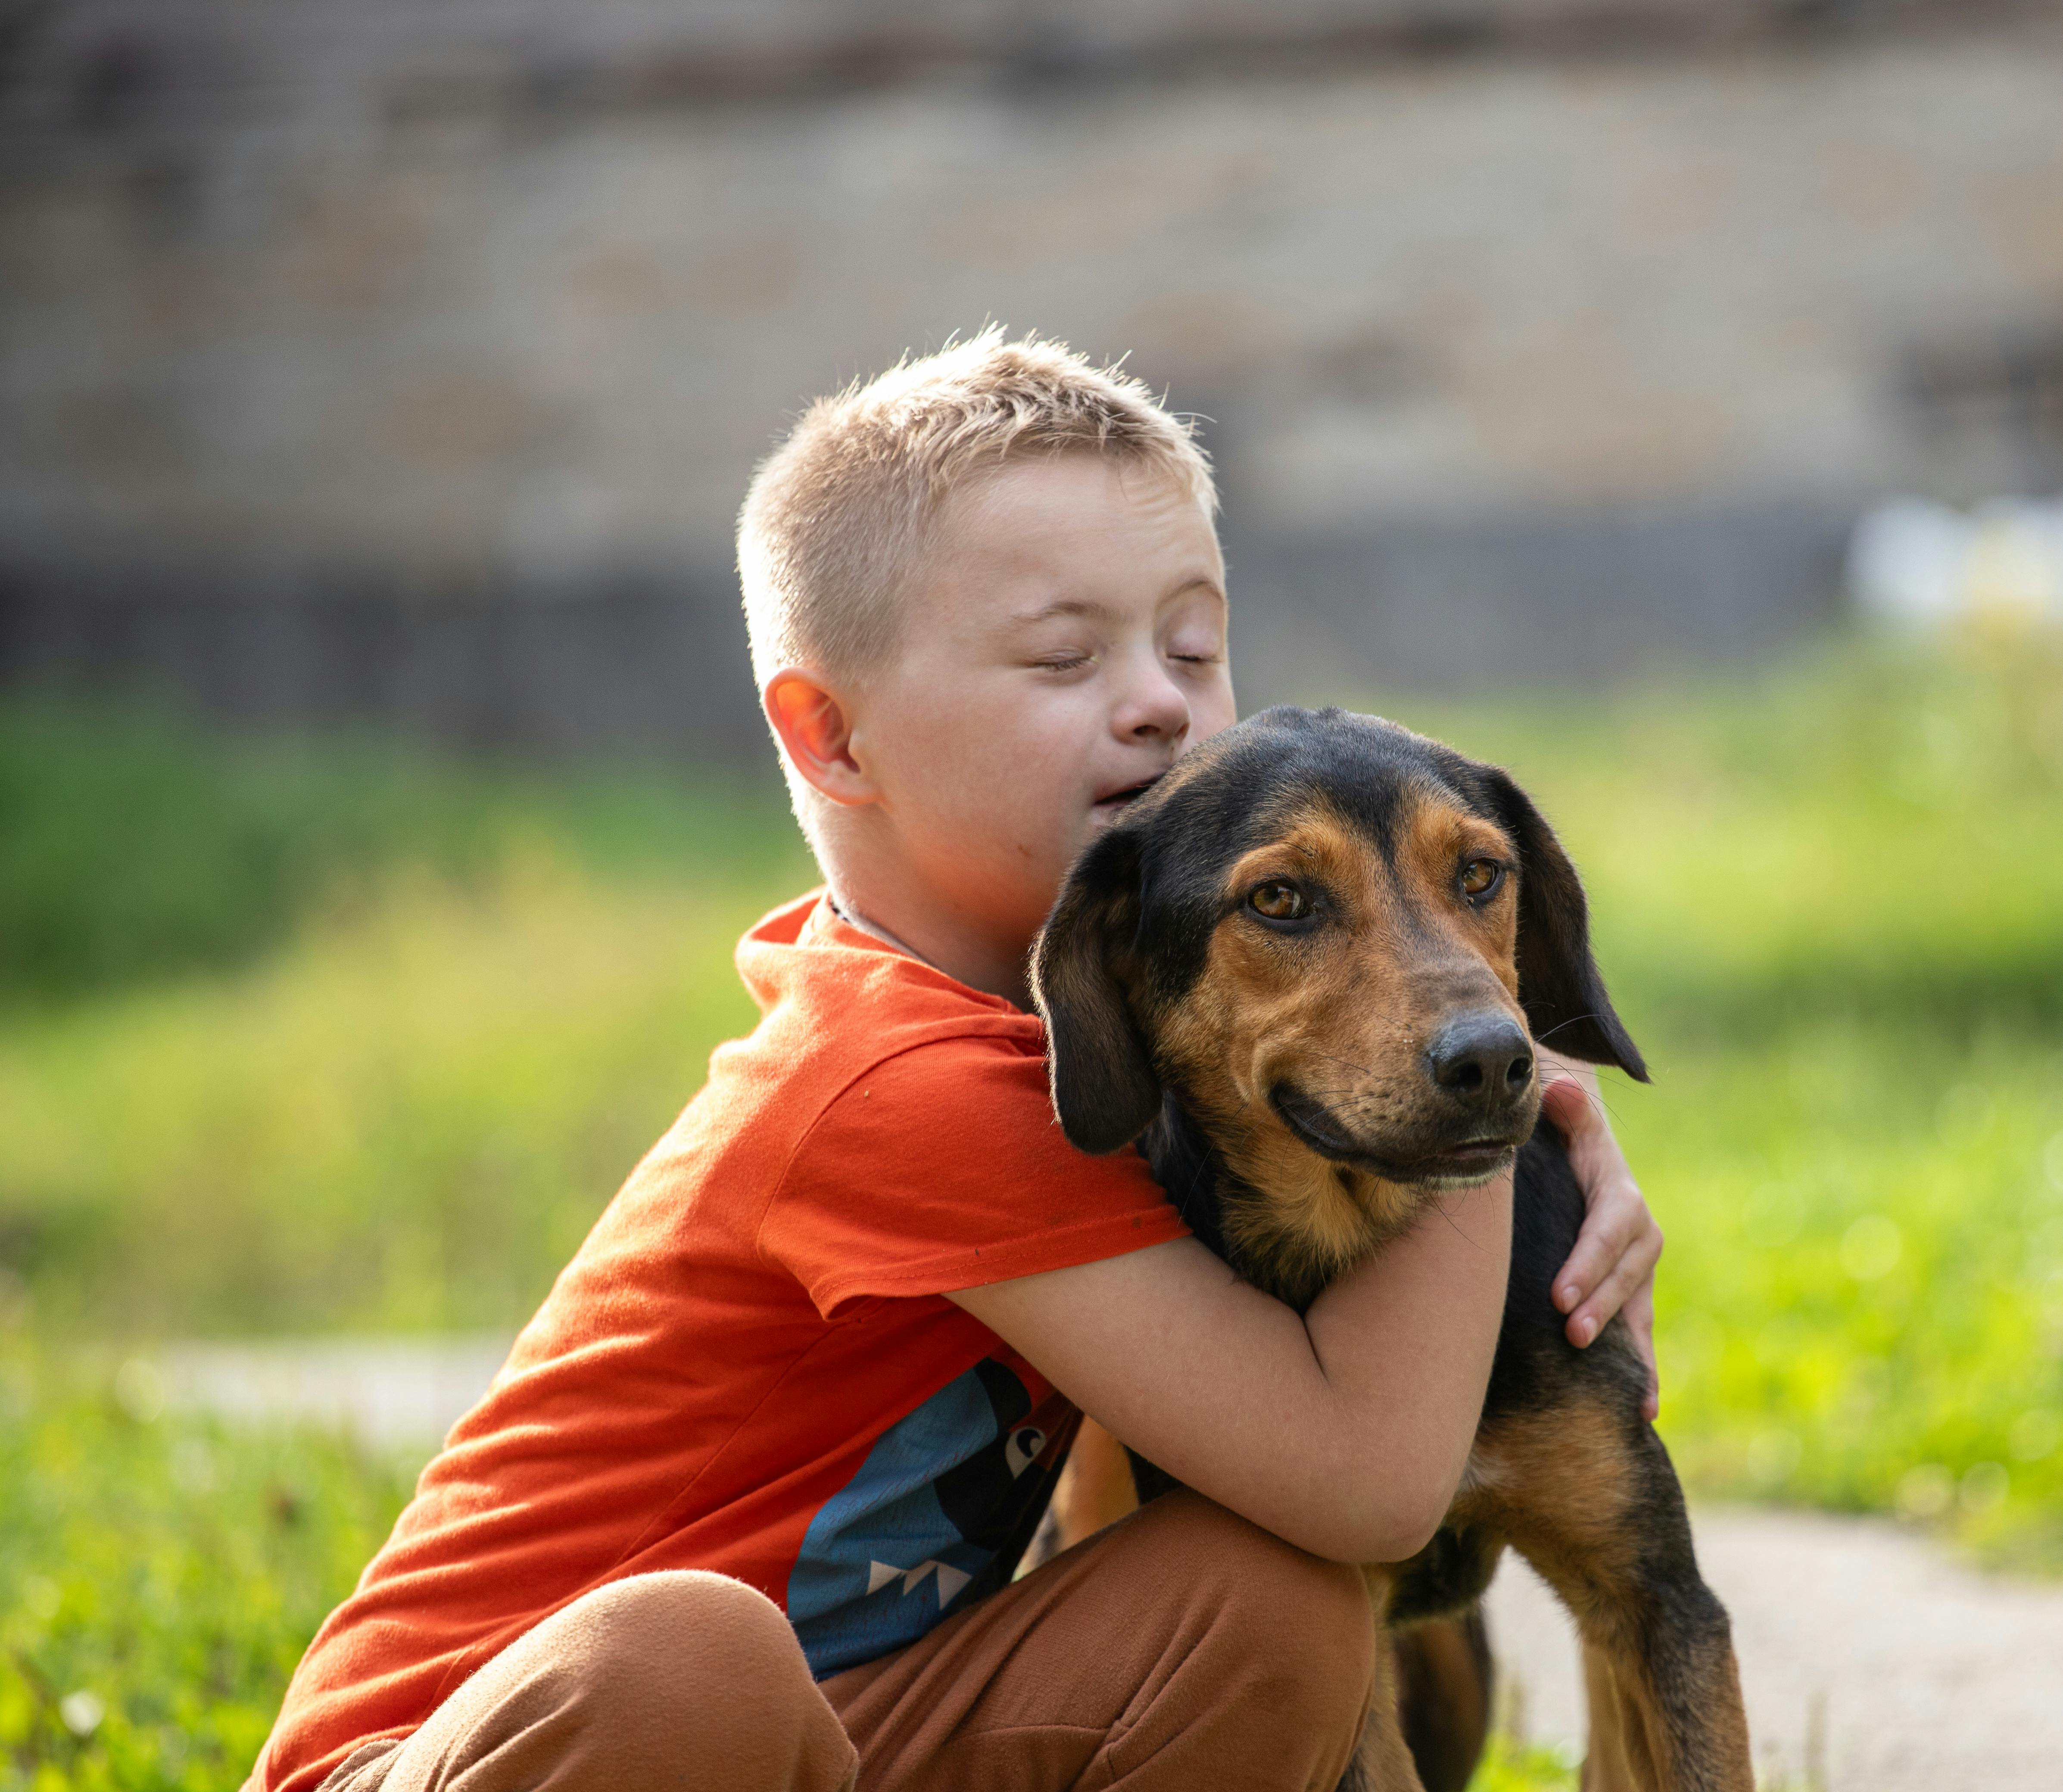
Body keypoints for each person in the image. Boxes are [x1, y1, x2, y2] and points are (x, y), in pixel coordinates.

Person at [246, 331, 1664, 1792]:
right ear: (834, 737)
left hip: (857, 1727)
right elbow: (1371, 1478)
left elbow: (1291, 1442)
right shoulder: (892, 1085)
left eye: (1193, 645)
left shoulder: (1123, 1045)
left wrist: (1517, 1089)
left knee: (1268, 1610)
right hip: (460, 1750)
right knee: (690, 1662)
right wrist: (1472, 1096)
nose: (1162, 706)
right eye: (1066, 656)